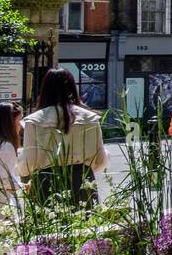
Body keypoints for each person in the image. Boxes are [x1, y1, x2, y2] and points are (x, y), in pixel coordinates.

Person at [17, 68, 109, 206]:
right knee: (86, 224)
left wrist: (18, 168)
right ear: (72, 88)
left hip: (46, 182)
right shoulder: (89, 118)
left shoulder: (33, 121)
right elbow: (100, 160)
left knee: (48, 224)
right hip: (83, 181)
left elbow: (28, 163)